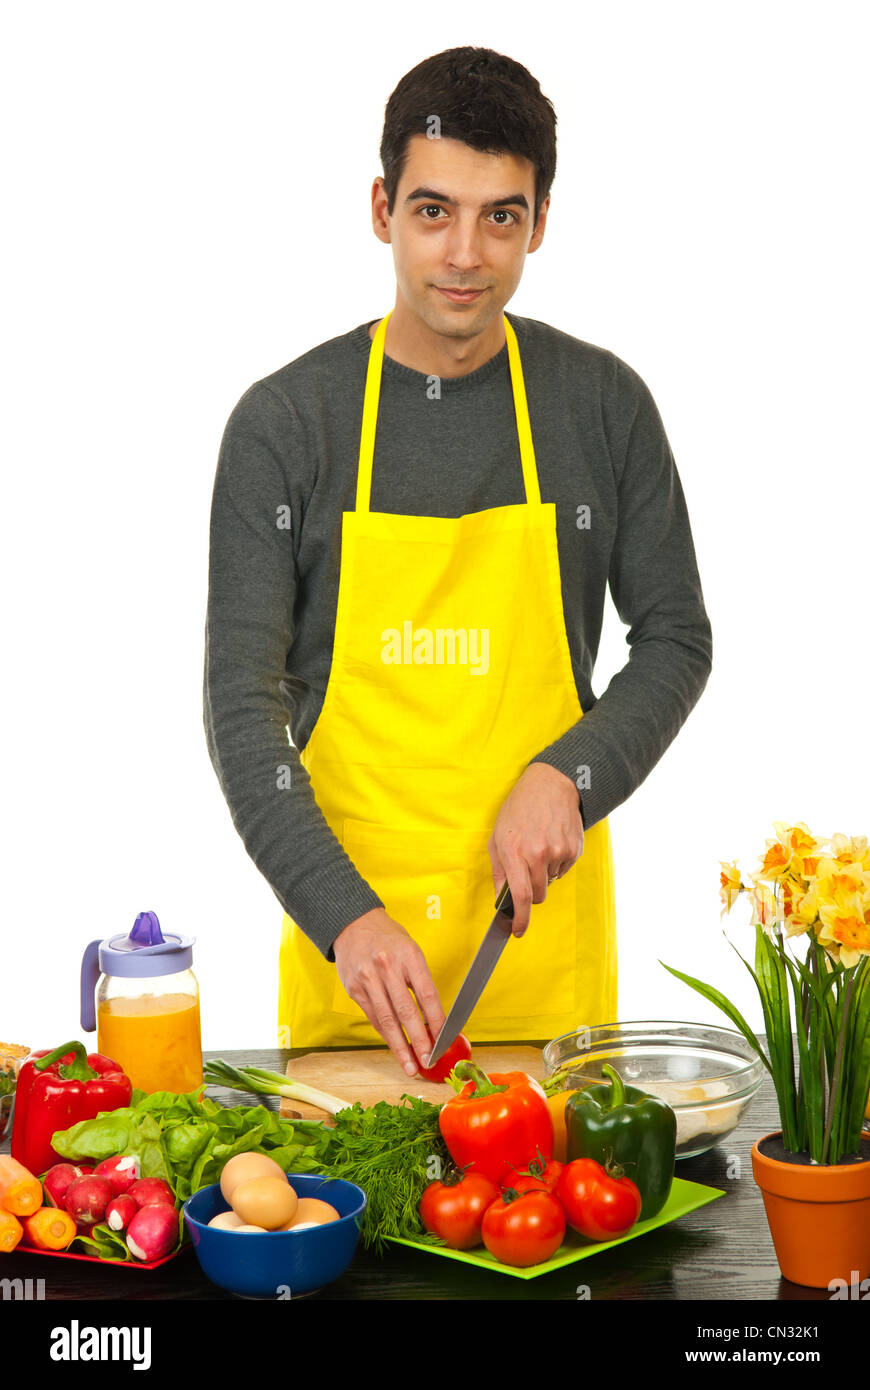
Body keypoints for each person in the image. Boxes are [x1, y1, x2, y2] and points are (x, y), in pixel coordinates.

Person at [203, 46, 712, 1077]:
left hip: (543, 992)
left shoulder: (602, 406)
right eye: (434, 211)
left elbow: (675, 637)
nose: (465, 254)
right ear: (382, 207)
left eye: (502, 216)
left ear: (542, 220)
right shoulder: (285, 424)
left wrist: (568, 775)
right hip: (355, 980)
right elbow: (240, 707)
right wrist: (345, 917)